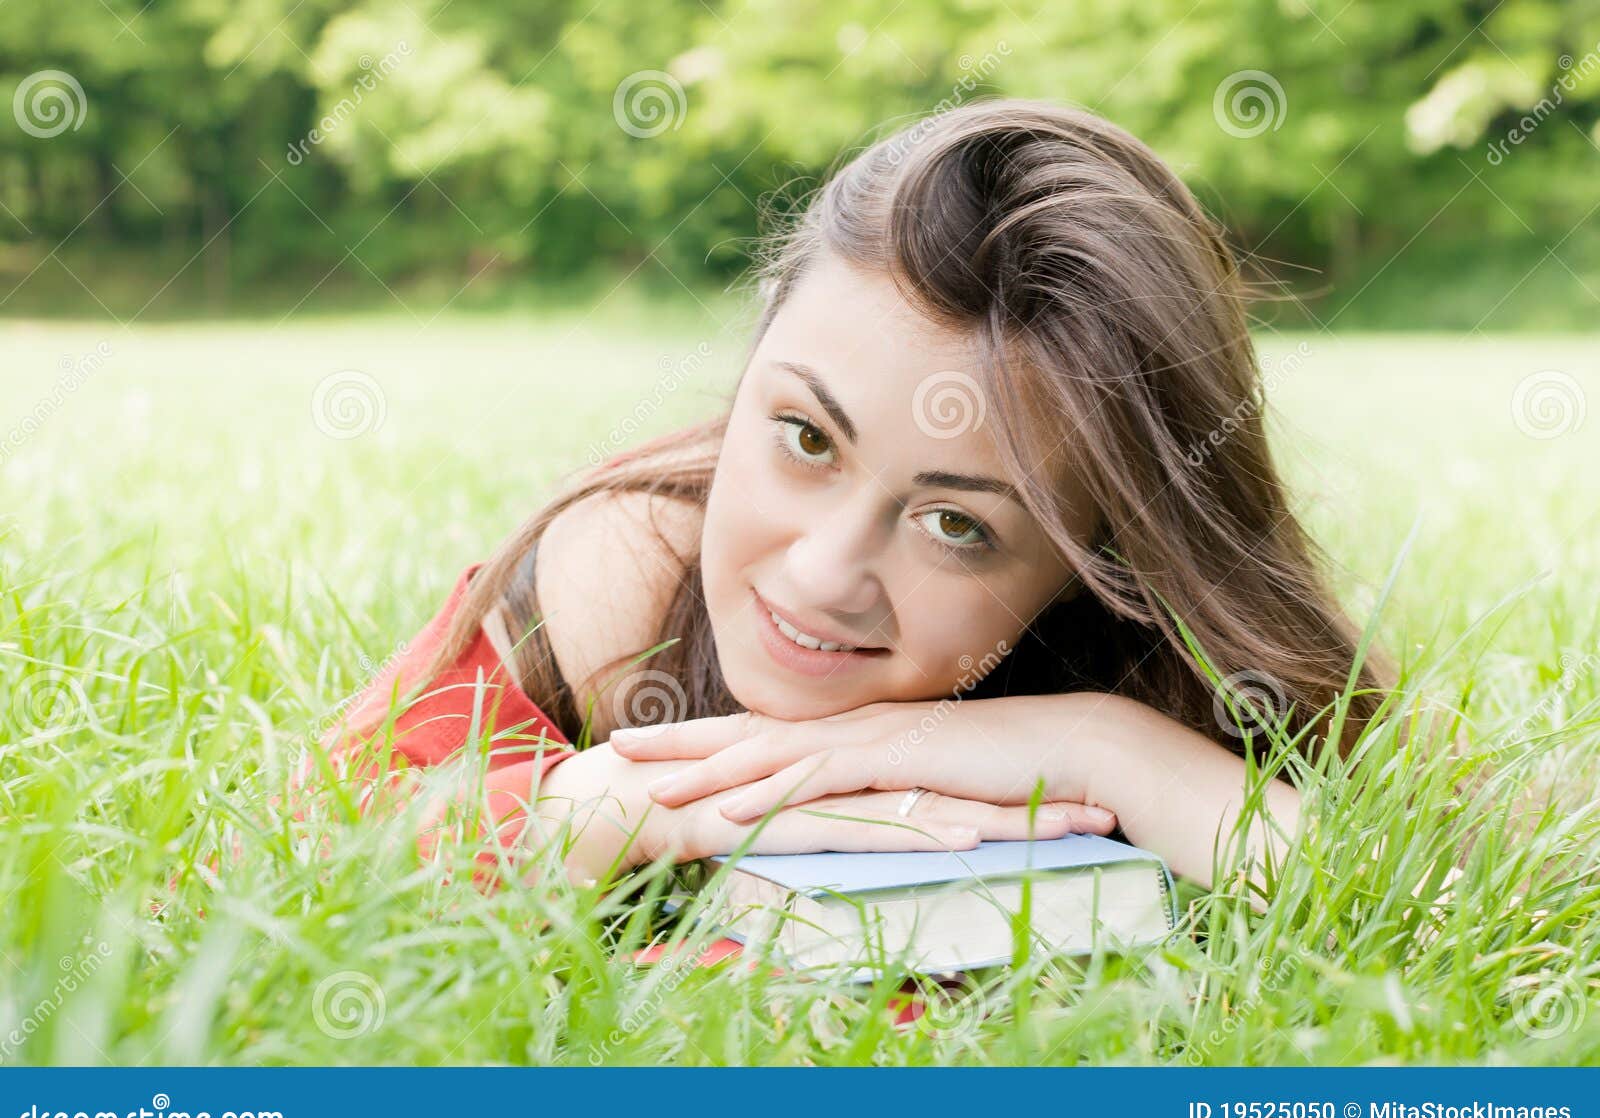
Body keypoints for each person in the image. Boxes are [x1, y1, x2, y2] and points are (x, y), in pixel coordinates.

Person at [300, 98, 1390, 895]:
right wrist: (615, 813)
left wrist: (1105, 745)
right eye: (805, 436)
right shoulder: (631, 568)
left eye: (958, 525)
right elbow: (310, 857)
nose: (821, 573)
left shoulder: (1156, 660)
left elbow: (1437, 899)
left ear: (1097, 567)